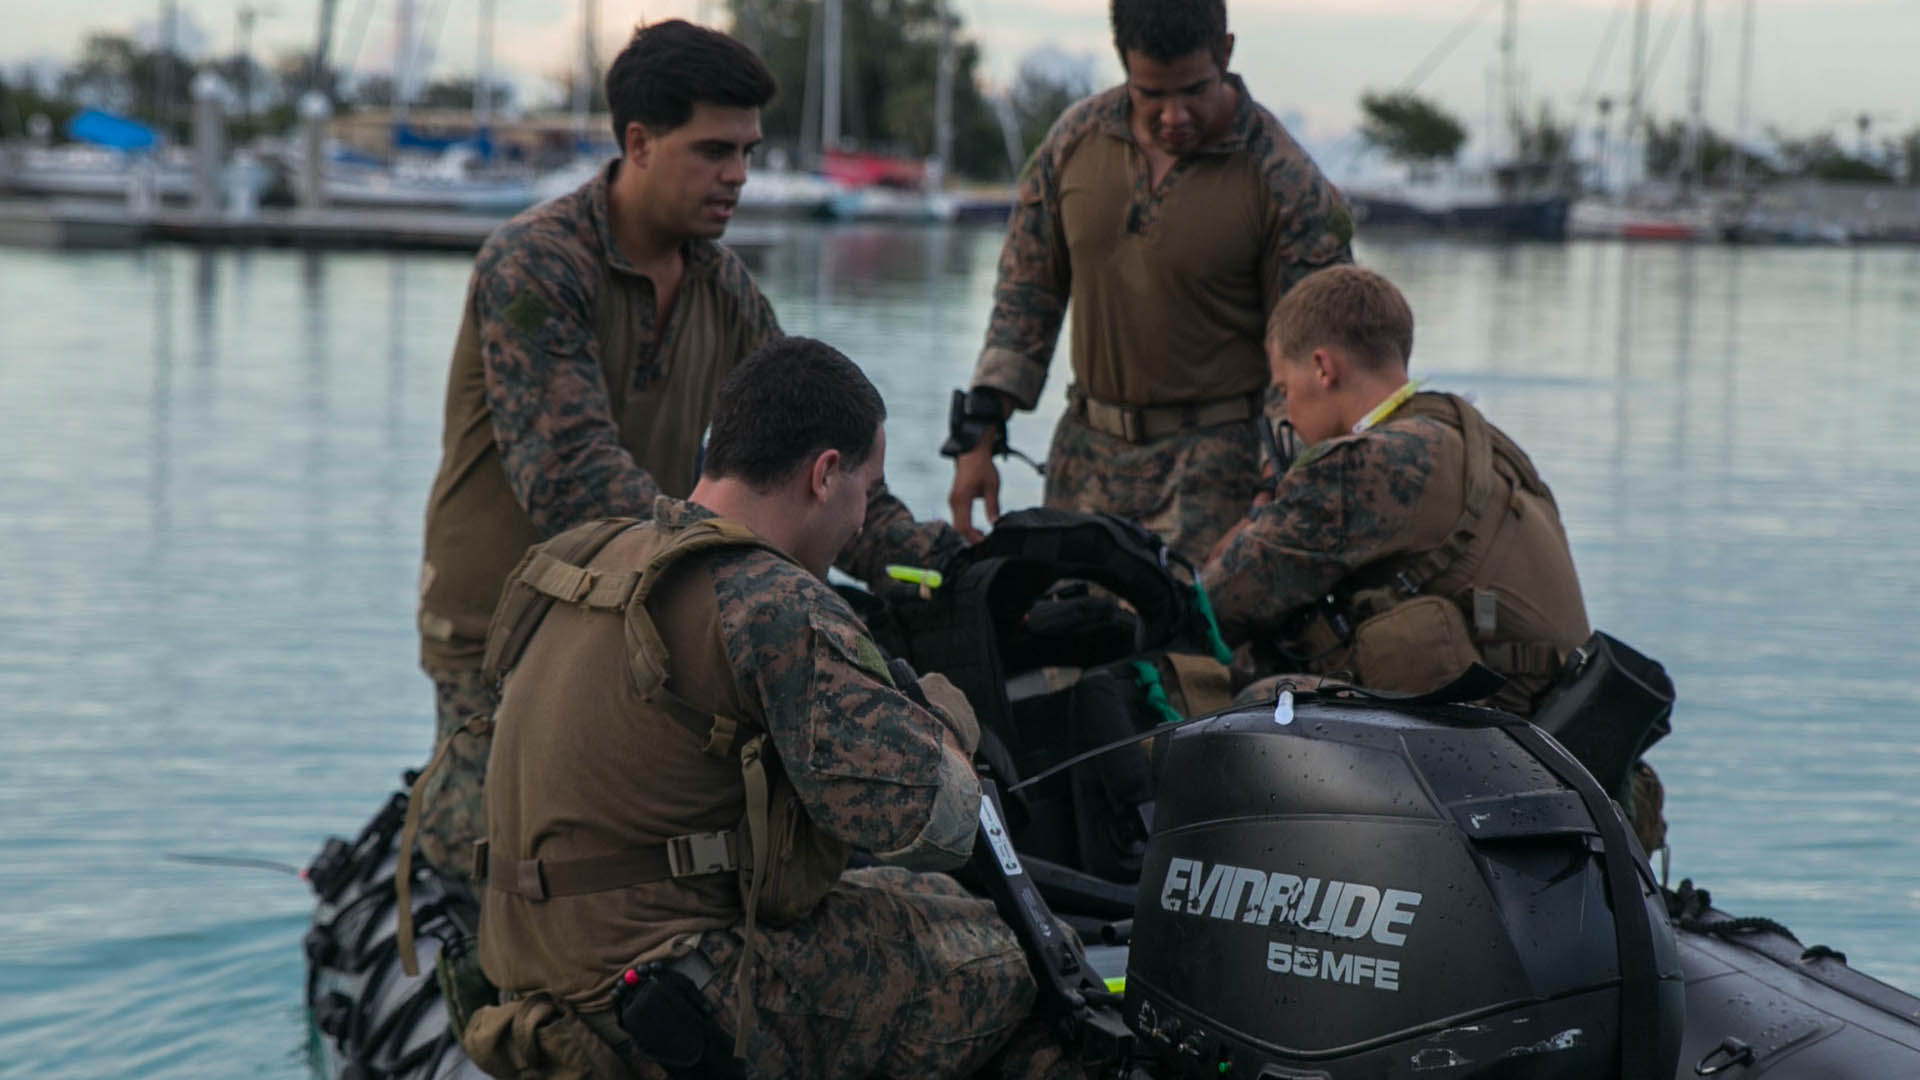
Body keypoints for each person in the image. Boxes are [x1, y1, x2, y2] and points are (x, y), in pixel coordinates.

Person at [411, 21, 952, 883]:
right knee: (502, 876)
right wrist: (747, 578)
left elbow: (814, 451)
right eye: (712, 150)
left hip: (644, 611)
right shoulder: (534, 269)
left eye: (747, 150)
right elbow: (571, 479)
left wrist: (934, 559)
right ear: (638, 142)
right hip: (503, 631)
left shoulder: (722, 287)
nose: (738, 173)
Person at [461, 338, 1072, 1080]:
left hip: (531, 977)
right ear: (824, 475)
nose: (859, 522)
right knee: (1010, 958)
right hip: (650, 1004)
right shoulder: (771, 600)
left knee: (917, 899)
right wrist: (941, 708)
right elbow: (935, 821)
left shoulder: (594, 555)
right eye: (865, 489)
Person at [945, 0, 1354, 564]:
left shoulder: (1288, 181)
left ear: (1226, 53)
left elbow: (1318, 359)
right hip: (1083, 460)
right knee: (1064, 635)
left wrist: (1273, 491)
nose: (1173, 116)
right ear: (1124, 65)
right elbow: (1024, 299)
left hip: (1217, 474)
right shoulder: (1073, 142)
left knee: (1187, 649)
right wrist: (979, 437)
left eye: (1193, 90)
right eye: (1151, 94)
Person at [1199, 265, 1591, 718]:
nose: (1287, 410)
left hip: (1505, 742)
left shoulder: (1365, 465)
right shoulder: (1474, 441)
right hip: (1557, 734)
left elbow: (1217, 604)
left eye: (1285, 388)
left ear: (1323, 369)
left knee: (1264, 706)